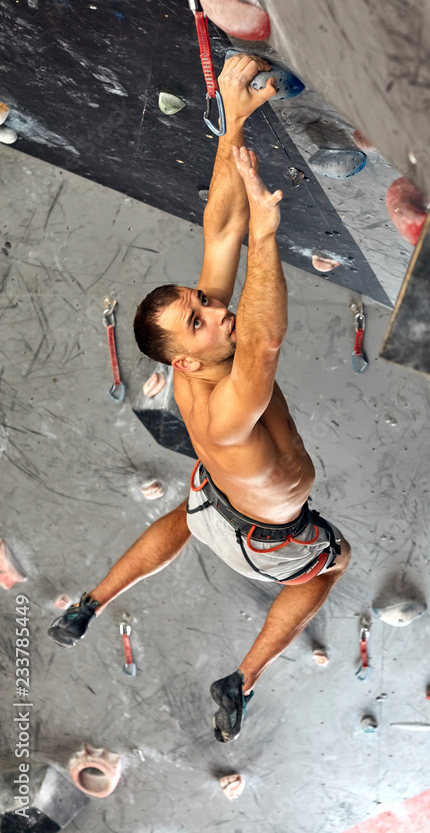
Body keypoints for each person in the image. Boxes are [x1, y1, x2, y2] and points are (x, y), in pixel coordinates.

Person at [48, 54, 350, 742]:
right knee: (332, 562)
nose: (214, 310)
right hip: (266, 539)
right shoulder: (226, 405)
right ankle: (241, 677)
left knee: (190, 519)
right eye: (198, 319)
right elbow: (264, 345)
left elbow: (218, 228)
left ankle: (90, 603)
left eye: (200, 303)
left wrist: (232, 123)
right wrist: (268, 236)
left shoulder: (196, 350)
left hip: (212, 493)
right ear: (185, 357)